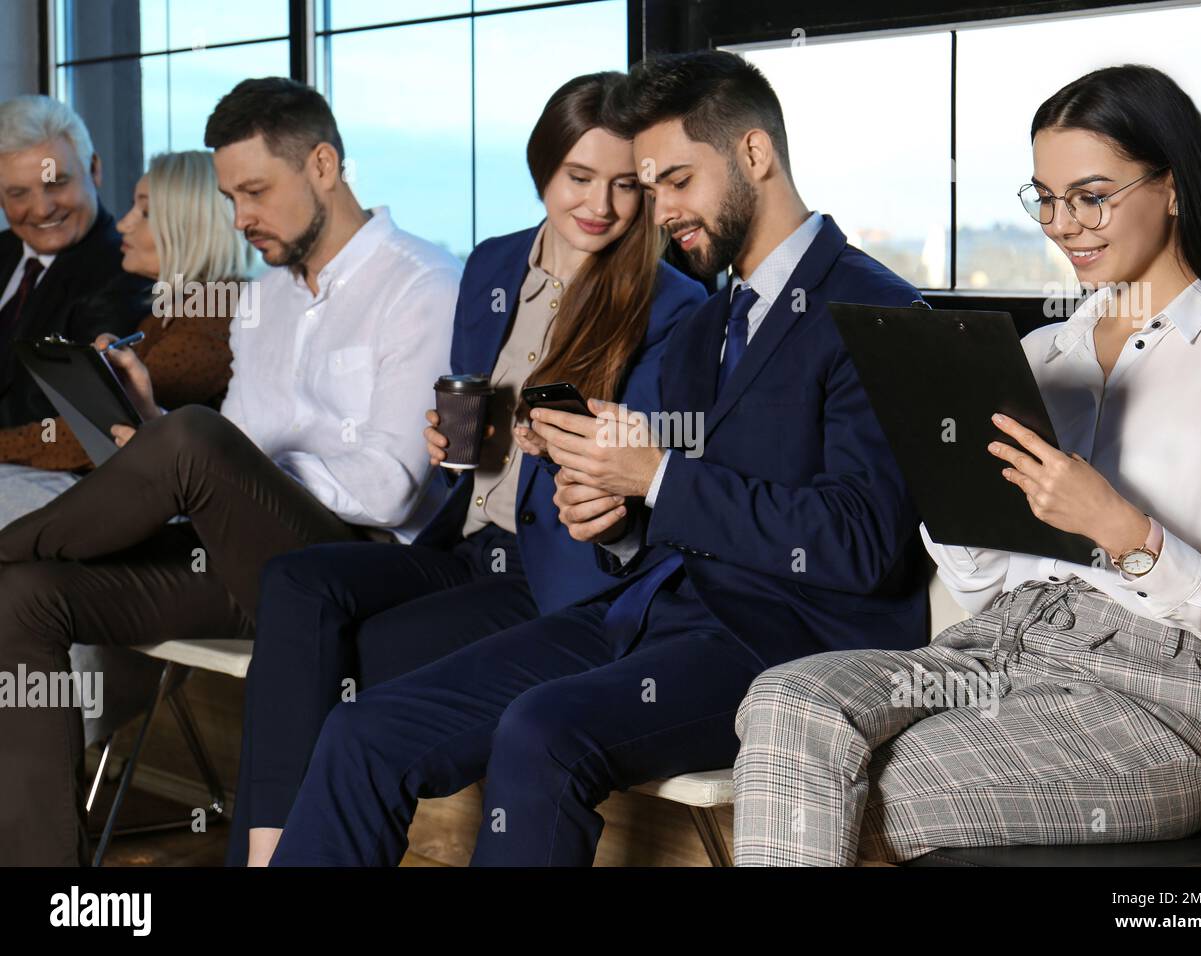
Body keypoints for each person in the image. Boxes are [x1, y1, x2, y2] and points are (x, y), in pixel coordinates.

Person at [268, 50, 928, 867]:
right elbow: (669, 510)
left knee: (542, 733)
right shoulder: (705, 327)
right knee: (364, 729)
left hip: (783, 641)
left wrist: (653, 476)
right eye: (652, 189)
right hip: (645, 612)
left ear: (754, 154)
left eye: (677, 181)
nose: (660, 210)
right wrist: (612, 515)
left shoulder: (881, 311)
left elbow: (863, 542)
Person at [731, 64, 1201, 866]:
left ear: (1172, 188)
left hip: (1152, 703)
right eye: (1046, 199)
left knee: (818, 784)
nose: (1064, 225)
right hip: (1001, 651)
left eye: (1092, 195)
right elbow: (987, 587)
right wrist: (947, 491)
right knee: (786, 700)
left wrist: (1125, 531)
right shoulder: (1038, 357)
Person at [231, 71, 706, 866]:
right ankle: (267, 853)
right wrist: (465, 448)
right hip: (464, 547)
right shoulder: (491, 268)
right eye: (578, 178)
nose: (602, 205)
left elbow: (645, 484)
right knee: (297, 585)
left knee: (341, 671)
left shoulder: (670, 306)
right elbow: (473, 441)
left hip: (555, 579)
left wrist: (588, 472)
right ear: (542, 170)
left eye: (628, 186)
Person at [0, 77, 460, 866]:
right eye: (229, 195)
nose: (240, 216)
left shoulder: (424, 285)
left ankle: (9, 539)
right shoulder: (262, 301)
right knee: (23, 597)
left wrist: (223, 463)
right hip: (241, 559)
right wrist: (149, 431)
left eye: (255, 191)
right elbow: (226, 449)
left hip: (358, 563)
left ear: (323, 165)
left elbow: (390, 485)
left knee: (193, 439)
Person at [0, 149, 255, 524]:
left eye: (145, 213)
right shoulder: (174, 309)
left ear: (188, 225)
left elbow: (106, 426)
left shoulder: (217, 309)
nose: (123, 224)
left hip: (176, 511)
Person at [0, 94, 150, 428]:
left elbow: (54, 412)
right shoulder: (4, 250)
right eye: (18, 193)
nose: (42, 209)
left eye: (57, 183)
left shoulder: (126, 271)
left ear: (94, 169)